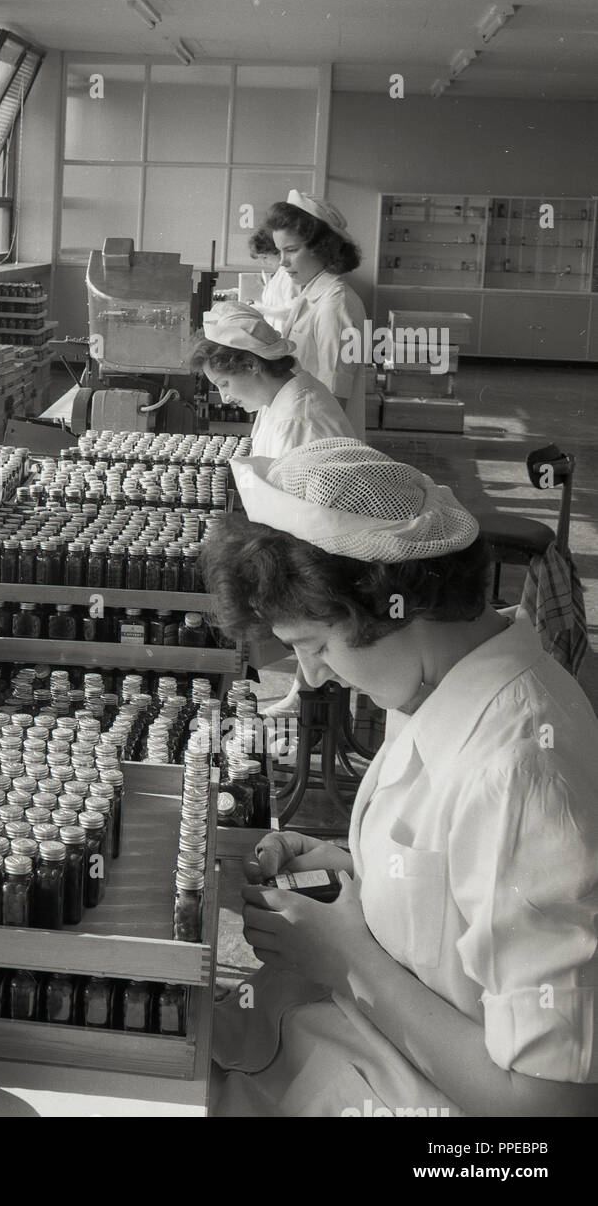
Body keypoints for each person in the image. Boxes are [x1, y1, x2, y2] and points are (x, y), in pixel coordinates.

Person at [202, 439, 598, 1117]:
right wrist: (355, 868)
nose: (310, 676)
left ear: (388, 607)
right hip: (363, 1052)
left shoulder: (520, 772)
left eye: (317, 646)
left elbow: (549, 1107)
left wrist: (350, 962)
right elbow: (464, 896)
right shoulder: (431, 684)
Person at [192, 302, 355, 460]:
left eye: (224, 384)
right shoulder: (277, 400)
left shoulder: (295, 422)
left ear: (251, 365)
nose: (224, 398)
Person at [265, 190, 368, 439]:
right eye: (279, 251)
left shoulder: (336, 304)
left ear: (323, 248)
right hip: (303, 436)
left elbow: (335, 400)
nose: (282, 262)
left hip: (319, 444)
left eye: (291, 250)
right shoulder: (311, 294)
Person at [245, 228, 297, 335]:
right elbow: (274, 305)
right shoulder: (279, 274)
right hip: (276, 336)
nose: (264, 262)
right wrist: (257, 306)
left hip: (286, 336)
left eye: (265, 257)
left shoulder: (289, 275)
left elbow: (292, 312)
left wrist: (261, 309)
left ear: (277, 251)